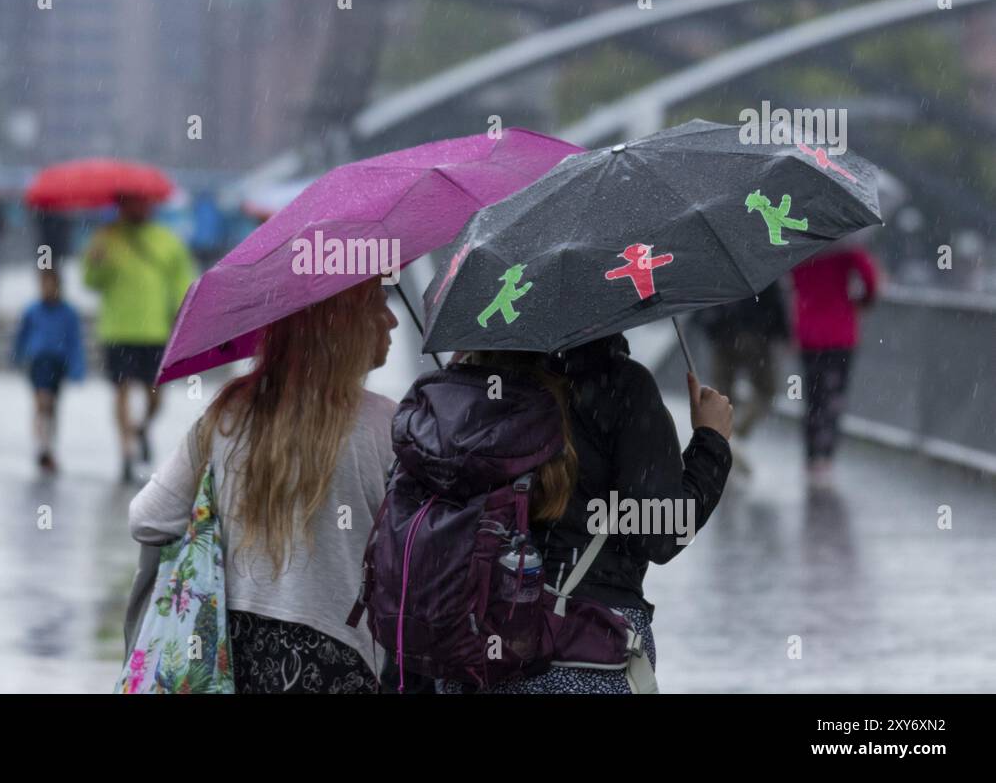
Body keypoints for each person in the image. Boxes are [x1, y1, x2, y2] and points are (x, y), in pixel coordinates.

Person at [397, 334, 732, 694]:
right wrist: (711, 441)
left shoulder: (467, 384)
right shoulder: (619, 385)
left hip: (476, 643)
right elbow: (658, 532)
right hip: (586, 645)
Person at [127, 279, 399, 693]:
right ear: (346, 323)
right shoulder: (389, 426)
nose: (393, 320)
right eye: (380, 305)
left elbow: (148, 520)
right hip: (342, 657)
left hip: (233, 651)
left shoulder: (229, 413)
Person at [83, 193, 195, 480]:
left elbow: (183, 281)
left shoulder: (167, 240)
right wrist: (96, 261)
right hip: (118, 329)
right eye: (132, 202)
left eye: (143, 202)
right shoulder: (105, 238)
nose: (139, 207)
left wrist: (182, 315)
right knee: (120, 391)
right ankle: (126, 451)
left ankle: (140, 428)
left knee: (156, 396)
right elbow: (90, 281)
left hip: (155, 331)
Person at [789, 245, 880, 484]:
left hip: (809, 333)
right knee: (835, 395)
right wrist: (862, 301)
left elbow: (793, 283)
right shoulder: (845, 245)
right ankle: (825, 456)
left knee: (812, 395)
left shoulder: (800, 248)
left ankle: (811, 454)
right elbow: (870, 277)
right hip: (841, 333)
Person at [12, 269, 86, 472]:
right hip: (38, 361)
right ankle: (41, 446)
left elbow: (74, 342)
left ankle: (48, 444)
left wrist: (77, 367)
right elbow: (21, 336)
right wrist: (17, 356)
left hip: (57, 363)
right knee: (41, 400)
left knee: (52, 406)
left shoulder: (68, 313)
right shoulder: (32, 311)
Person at [696, 282, 789, 441]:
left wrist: (712, 326)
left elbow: (702, 309)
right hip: (754, 336)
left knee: (723, 391)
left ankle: (724, 433)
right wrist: (782, 333)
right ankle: (738, 431)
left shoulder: (716, 271)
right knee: (765, 390)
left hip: (723, 333)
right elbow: (775, 303)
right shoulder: (761, 270)